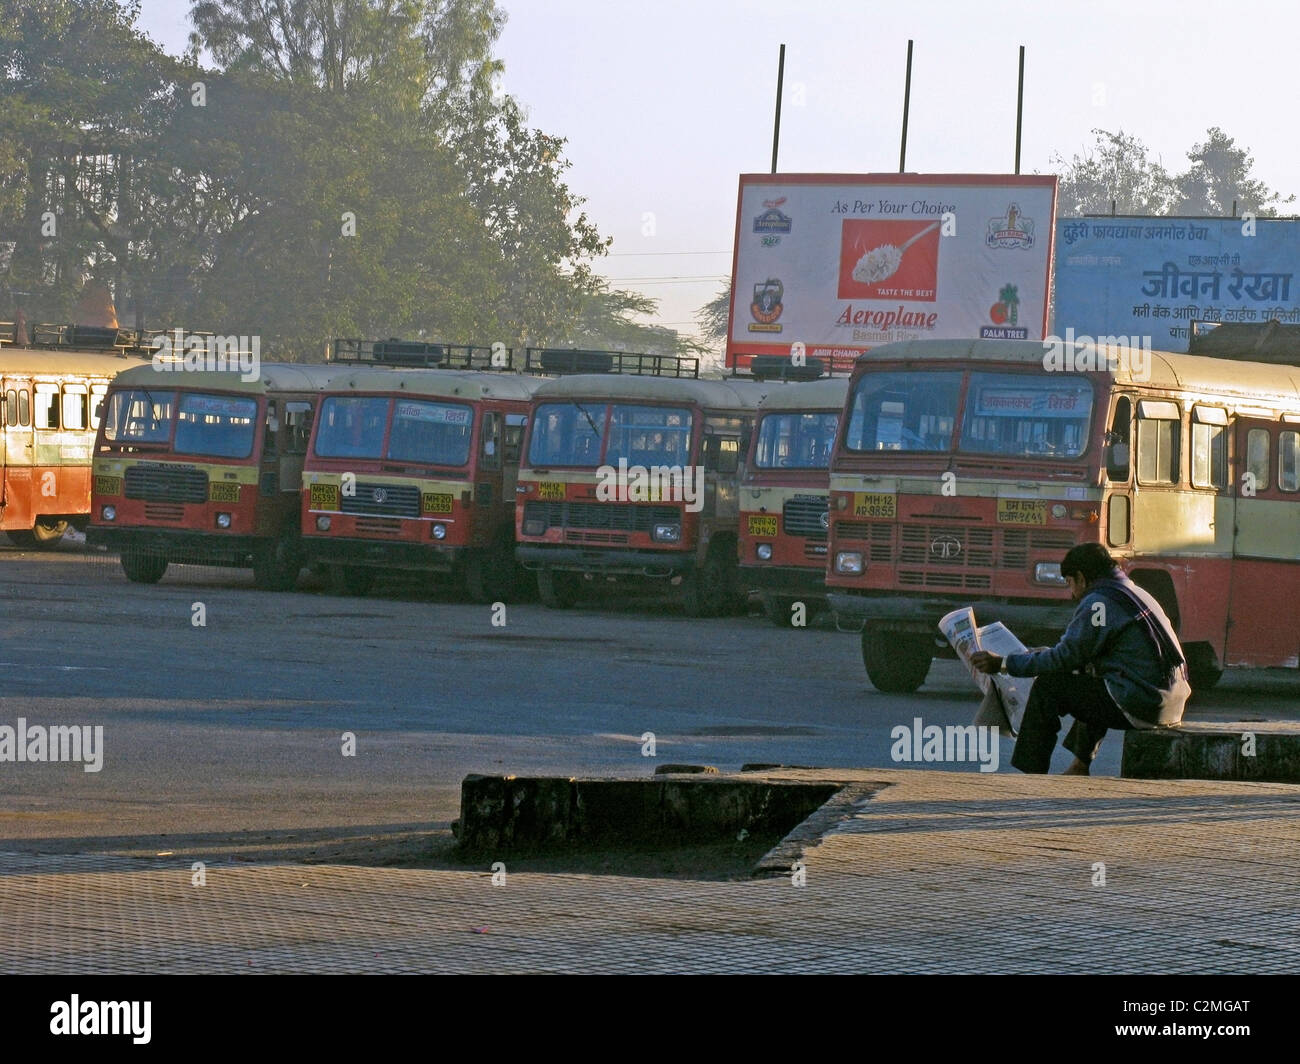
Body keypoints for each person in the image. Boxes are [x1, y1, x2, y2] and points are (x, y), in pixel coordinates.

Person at [970, 543, 1190, 775]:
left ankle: (1031, 772)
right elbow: (1081, 653)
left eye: (1070, 583)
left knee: (1049, 687)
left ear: (1081, 578)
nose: (1071, 593)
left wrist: (1004, 664)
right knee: (1089, 677)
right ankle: (1080, 765)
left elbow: (1066, 657)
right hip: (1169, 701)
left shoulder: (1099, 603)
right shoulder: (1132, 591)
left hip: (1145, 702)